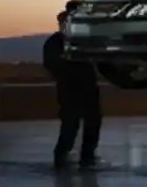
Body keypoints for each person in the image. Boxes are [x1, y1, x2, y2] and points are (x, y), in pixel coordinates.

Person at [42, 11, 105, 170]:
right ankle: (62, 154)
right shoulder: (56, 42)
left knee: (93, 121)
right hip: (70, 88)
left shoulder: (84, 41)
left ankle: (87, 156)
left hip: (88, 87)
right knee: (71, 123)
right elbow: (52, 64)